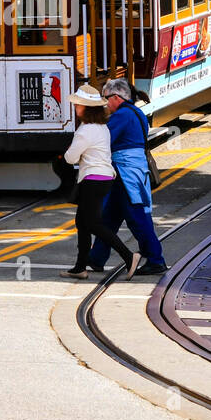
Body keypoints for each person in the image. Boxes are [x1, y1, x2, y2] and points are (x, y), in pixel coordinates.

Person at [87, 78, 168, 275]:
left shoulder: (122, 115)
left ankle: (156, 258)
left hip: (124, 173)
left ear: (116, 97)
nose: (105, 103)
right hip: (132, 171)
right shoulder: (137, 112)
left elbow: (104, 140)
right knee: (110, 217)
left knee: (136, 216)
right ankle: (96, 257)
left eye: (106, 99)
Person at [59, 84, 140, 280]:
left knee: (93, 224)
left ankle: (129, 257)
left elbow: (70, 158)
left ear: (86, 108)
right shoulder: (102, 127)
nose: (76, 108)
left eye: (78, 105)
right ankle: (80, 267)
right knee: (83, 223)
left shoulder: (85, 130)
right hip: (103, 177)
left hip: (92, 180)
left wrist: (71, 150)